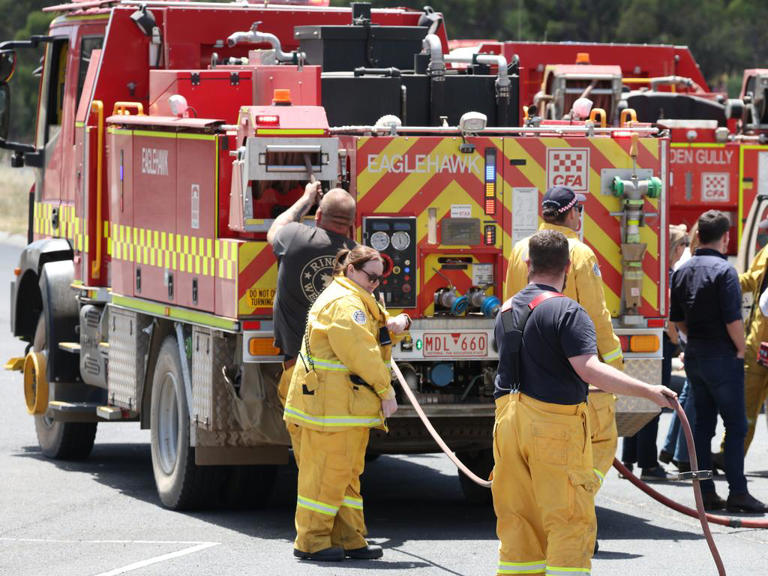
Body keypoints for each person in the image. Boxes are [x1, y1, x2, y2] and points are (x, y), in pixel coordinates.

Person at [492, 229, 676, 576]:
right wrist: (649, 391)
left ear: (528, 264)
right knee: (569, 519)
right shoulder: (568, 312)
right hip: (553, 428)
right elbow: (588, 369)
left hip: (507, 427)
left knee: (519, 522)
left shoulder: (506, 310)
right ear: (570, 265)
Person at [284, 245, 412, 562]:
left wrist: (395, 326)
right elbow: (360, 352)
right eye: (371, 277)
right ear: (351, 270)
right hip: (330, 411)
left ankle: (350, 538)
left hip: (342, 410)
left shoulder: (353, 298)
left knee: (345, 477)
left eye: (380, 279)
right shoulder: (344, 303)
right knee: (326, 477)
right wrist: (387, 391)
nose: (375, 284)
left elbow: (369, 336)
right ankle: (311, 542)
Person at [505, 186, 622, 503]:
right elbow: (597, 315)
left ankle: (548, 505)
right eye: (579, 211)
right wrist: (614, 365)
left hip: (529, 368)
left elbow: (511, 306)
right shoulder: (579, 253)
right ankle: (578, 501)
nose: (580, 216)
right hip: (576, 366)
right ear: (572, 213)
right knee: (599, 441)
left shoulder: (520, 249)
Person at [670, 210, 767, 513]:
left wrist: (693, 340)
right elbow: (732, 320)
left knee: (702, 426)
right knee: (736, 425)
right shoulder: (724, 272)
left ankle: (706, 492)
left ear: (698, 235)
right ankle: (738, 491)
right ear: (725, 238)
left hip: (696, 356)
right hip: (724, 358)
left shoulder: (683, 270)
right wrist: (740, 348)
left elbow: (677, 321)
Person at [267, 182, 357, 406]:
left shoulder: (294, 238)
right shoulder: (357, 257)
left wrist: (306, 199)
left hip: (298, 366)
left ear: (318, 214)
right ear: (351, 223)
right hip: (340, 369)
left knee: (301, 426)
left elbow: (275, 228)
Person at [712, 219, 768, 466]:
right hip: (758, 345)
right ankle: (730, 456)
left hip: (759, 342)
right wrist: (722, 278)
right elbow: (750, 281)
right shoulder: (766, 253)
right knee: (744, 408)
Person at [659, 224, 696, 473]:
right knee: (688, 395)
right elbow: (672, 317)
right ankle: (681, 455)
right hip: (672, 341)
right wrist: (678, 343)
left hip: (671, 341)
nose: (684, 248)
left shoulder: (670, 272)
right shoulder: (671, 275)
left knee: (683, 395)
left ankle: (670, 449)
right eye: (682, 244)